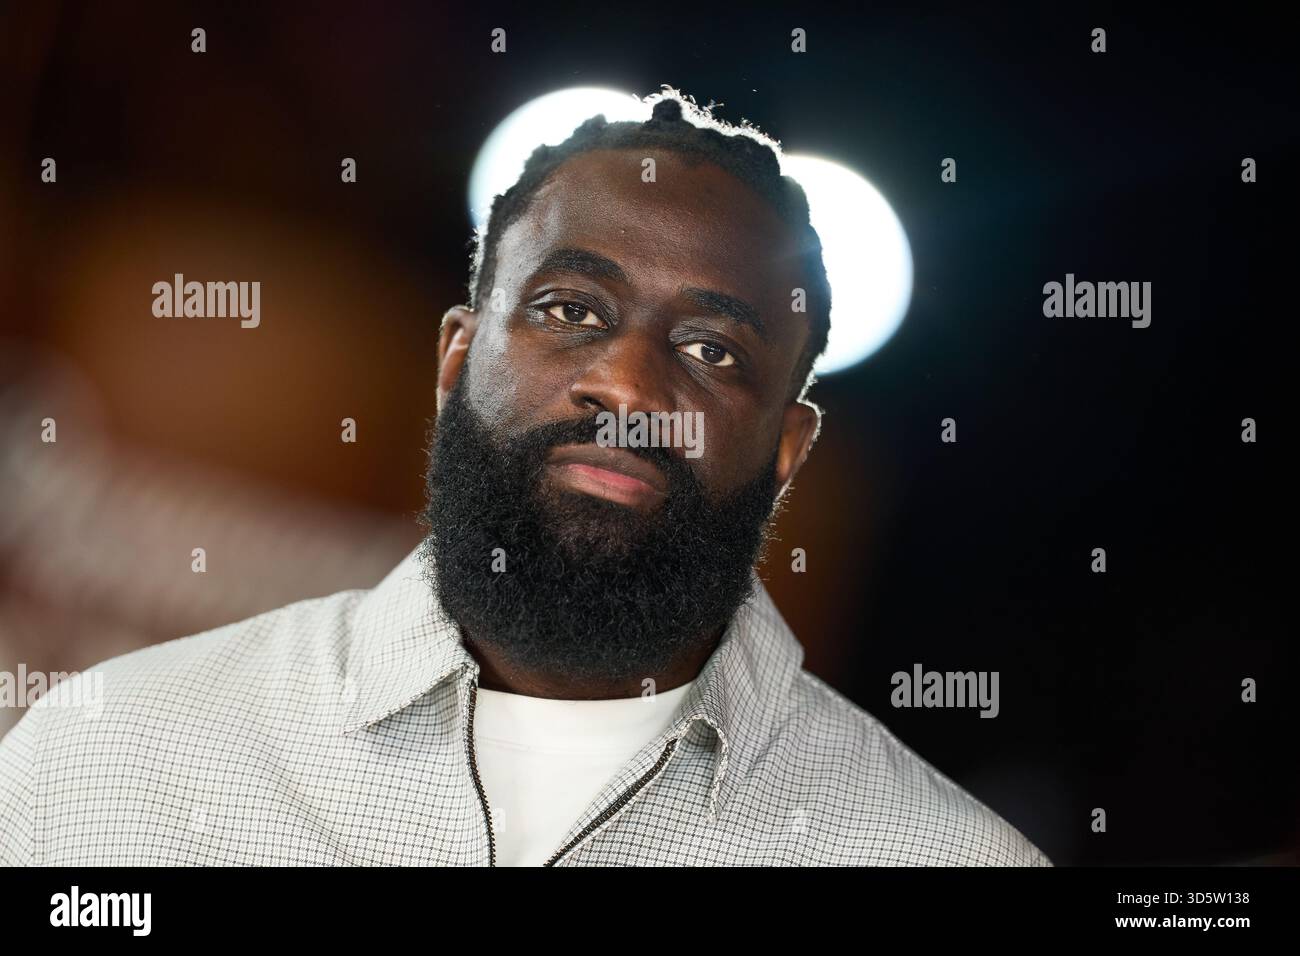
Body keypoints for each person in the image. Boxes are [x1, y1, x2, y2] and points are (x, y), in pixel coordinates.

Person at [0, 90, 1050, 866]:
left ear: (788, 450)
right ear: (456, 355)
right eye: (569, 311)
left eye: (712, 349)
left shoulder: (931, 856)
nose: (625, 383)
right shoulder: (107, 751)